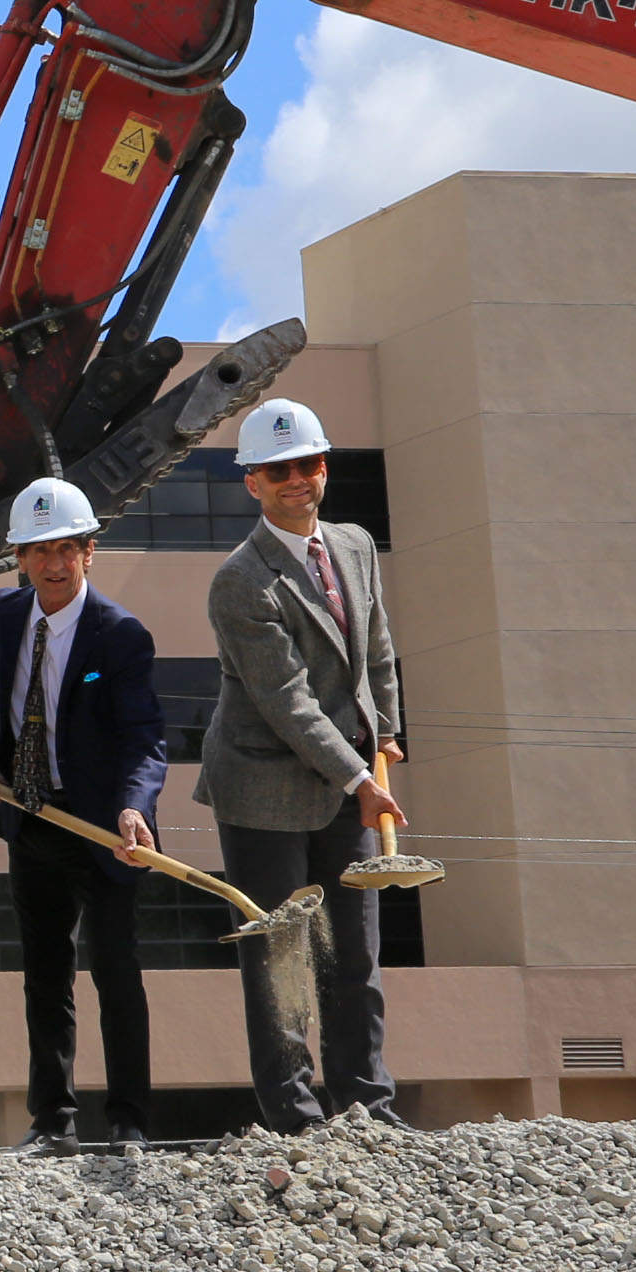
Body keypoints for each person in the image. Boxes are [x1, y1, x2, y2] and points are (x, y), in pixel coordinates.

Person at [197, 397, 409, 1132]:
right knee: (283, 959)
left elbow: (376, 653)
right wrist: (360, 779)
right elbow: (288, 703)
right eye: (279, 469)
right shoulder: (241, 581)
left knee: (355, 954)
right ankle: (294, 1117)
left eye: (310, 464)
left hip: (348, 776)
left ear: (325, 469)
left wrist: (384, 736)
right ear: (252, 482)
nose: (298, 479)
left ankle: (368, 1110)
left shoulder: (354, 546)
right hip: (261, 787)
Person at [0, 476, 168, 1154]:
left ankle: (129, 1121)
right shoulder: (2, 615)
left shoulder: (120, 636)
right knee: (45, 975)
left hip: (108, 833)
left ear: (90, 552)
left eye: (67, 549)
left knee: (116, 971)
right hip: (33, 820)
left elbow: (144, 738)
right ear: (19, 558)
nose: (53, 565)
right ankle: (51, 1120)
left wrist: (134, 809)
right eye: (38, 551)